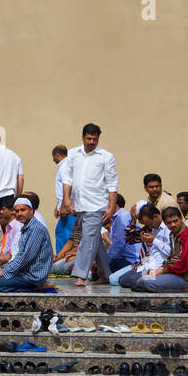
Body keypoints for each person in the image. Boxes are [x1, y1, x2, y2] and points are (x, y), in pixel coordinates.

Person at [61, 122, 117, 287]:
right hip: (79, 205)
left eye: (95, 139)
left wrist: (111, 206)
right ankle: (107, 274)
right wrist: (66, 199)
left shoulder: (106, 156)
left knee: (87, 239)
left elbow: (112, 183)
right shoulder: (73, 154)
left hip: (97, 205)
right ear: (83, 137)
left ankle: (80, 275)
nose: (92, 141)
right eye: (89, 138)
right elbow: (67, 178)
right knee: (95, 241)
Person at [0, 197, 53, 292]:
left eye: (23, 210)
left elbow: (25, 258)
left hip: (32, 276)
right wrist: (0, 269)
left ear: (31, 210)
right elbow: (18, 257)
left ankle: (33, 289)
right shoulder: (26, 228)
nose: (19, 213)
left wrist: (3, 271)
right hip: (22, 272)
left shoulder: (36, 229)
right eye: (16, 211)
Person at [110, 206, 169, 287]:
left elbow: (170, 251)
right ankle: (146, 280)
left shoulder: (167, 229)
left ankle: (153, 280)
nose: (149, 227)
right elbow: (129, 239)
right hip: (146, 265)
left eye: (150, 224)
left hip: (158, 268)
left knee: (134, 280)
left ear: (155, 216)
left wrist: (154, 241)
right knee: (123, 280)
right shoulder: (153, 229)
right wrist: (133, 221)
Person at [51, 145, 76, 251]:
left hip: (68, 208)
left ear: (57, 155)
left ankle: (62, 259)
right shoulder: (67, 165)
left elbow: (67, 186)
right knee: (63, 232)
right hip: (66, 205)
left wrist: (63, 206)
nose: (53, 160)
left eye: (53, 157)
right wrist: (58, 205)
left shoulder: (64, 166)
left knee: (63, 233)